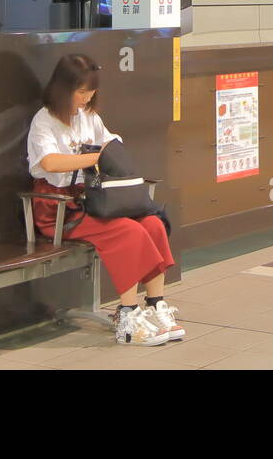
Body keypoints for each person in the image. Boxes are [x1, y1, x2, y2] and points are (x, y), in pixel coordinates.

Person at [26, 54, 181, 347]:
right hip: (59, 208)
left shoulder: (89, 117)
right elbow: (49, 163)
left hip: (95, 200)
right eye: (80, 91)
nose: (87, 97)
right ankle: (127, 315)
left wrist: (109, 152)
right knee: (130, 231)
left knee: (153, 223)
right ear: (62, 88)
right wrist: (97, 156)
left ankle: (156, 305)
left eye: (91, 91)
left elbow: (112, 146)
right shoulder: (43, 120)